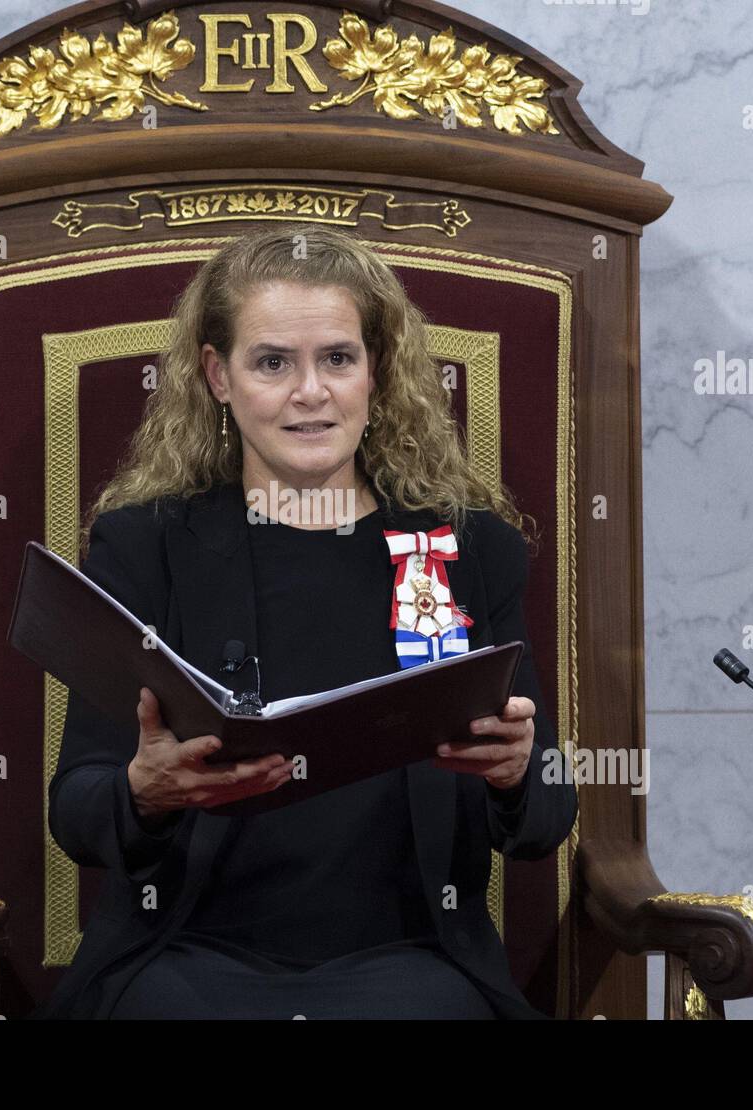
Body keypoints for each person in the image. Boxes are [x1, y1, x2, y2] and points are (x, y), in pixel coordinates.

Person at [29, 222, 577, 1020]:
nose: (310, 392)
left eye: (338, 359)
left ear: (376, 373)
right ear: (219, 376)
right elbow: (76, 808)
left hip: (411, 961)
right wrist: (144, 793)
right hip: (185, 956)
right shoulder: (146, 547)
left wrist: (516, 771)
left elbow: (544, 820)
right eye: (273, 362)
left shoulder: (467, 548)